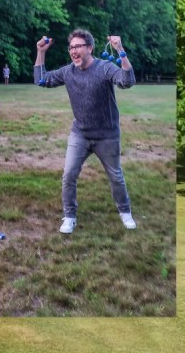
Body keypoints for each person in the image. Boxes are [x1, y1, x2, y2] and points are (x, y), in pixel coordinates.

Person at [34, 30, 136, 234]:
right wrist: (41, 52)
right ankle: (69, 216)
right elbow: (42, 80)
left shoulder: (104, 67)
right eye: (71, 47)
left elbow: (127, 81)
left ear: (90, 48)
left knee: (116, 176)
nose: (74, 51)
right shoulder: (68, 72)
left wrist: (120, 51)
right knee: (69, 174)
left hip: (107, 135)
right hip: (80, 134)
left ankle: (125, 213)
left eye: (78, 46)